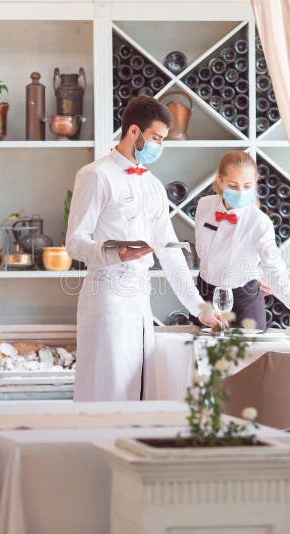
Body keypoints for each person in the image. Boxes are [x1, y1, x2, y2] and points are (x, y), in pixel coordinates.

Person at [66, 96, 221, 401]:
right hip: (106, 297)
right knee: (107, 389)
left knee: (138, 391)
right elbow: (74, 242)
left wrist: (199, 308)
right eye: (155, 138)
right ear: (134, 132)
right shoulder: (95, 175)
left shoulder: (153, 186)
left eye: (163, 141)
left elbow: (169, 252)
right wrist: (116, 252)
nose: (159, 147)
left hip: (140, 299)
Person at [194, 151, 290, 329]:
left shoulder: (260, 222)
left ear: (255, 184)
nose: (240, 192)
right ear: (220, 181)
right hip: (204, 297)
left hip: (243, 300)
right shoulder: (204, 205)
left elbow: (273, 265)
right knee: (200, 355)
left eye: (247, 186)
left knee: (249, 356)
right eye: (233, 185)